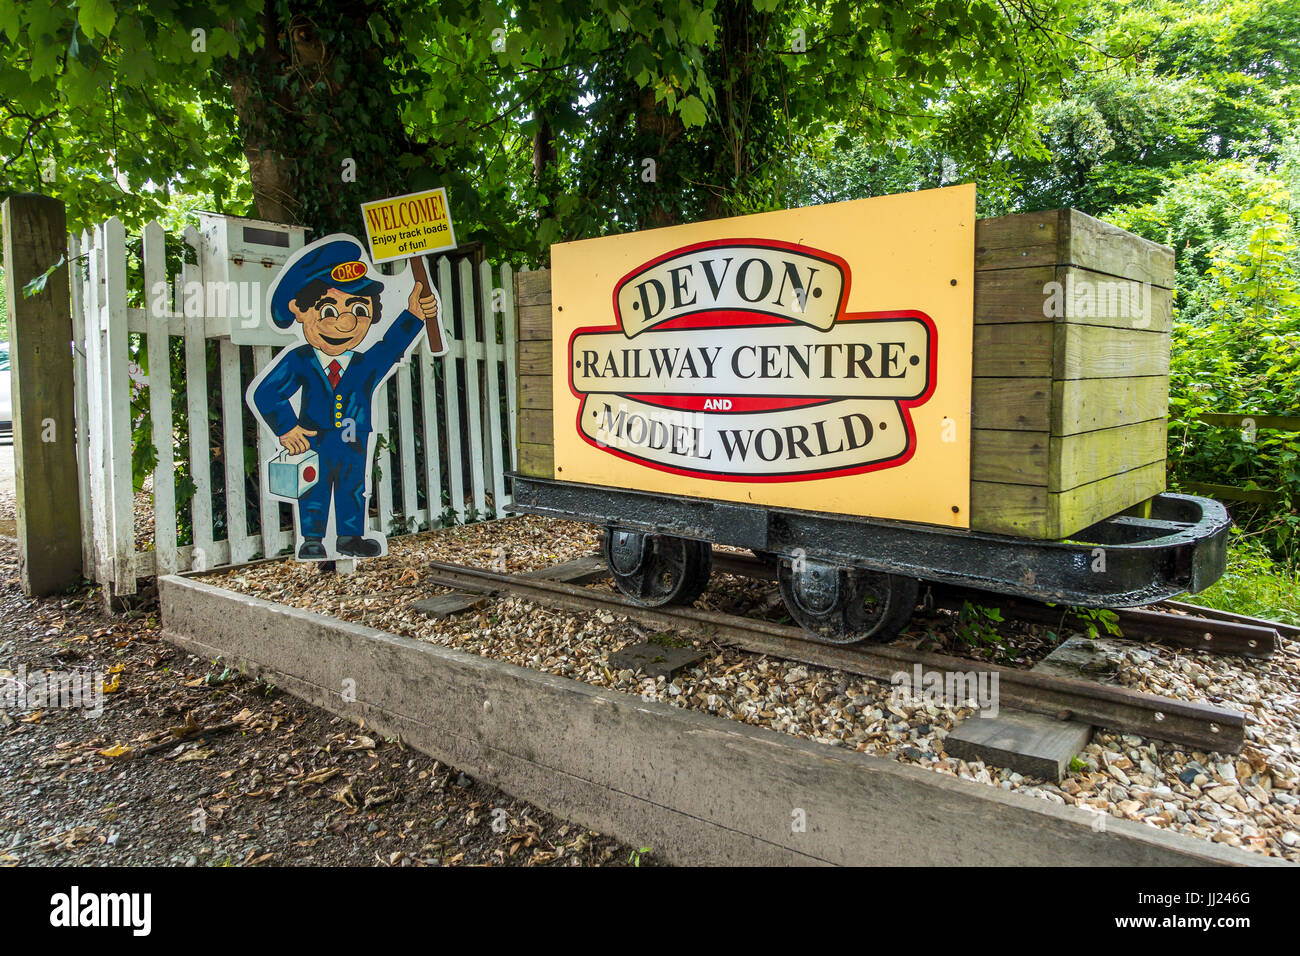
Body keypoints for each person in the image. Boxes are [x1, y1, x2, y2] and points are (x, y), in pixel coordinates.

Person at [250, 236, 437, 559]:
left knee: (352, 487)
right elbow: (268, 391)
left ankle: (350, 536)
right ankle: (312, 538)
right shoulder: (301, 359)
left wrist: (414, 315)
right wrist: (286, 427)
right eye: (328, 310)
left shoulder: (364, 364)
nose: (345, 322)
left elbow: (390, 347)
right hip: (313, 437)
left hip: (353, 436)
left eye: (358, 309)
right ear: (301, 311)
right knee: (314, 486)